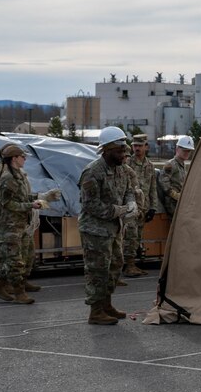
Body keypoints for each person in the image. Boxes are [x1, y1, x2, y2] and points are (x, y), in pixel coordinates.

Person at [79, 127, 138, 325]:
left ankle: (106, 304)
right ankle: (95, 311)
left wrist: (131, 202)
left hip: (114, 229)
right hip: (95, 230)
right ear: (107, 150)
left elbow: (128, 189)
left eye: (124, 150)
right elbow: (90, 204)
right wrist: (117, 211)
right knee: (98, 270)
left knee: (115, 266)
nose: (123, 155)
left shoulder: (122, 169)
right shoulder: (92, 172)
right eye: (120, 151)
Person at [0, 144, 49, 304]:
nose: (25, 159)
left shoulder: (19, 175)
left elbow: (22, 197)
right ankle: (19, 293)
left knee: (14, 260)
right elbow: (7, 203)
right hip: (10, 226)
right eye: (22, 157)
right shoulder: (7, 178)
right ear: (14, 158)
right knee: (14, 261)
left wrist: (40, 198)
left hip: (20, 224)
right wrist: (30, 205)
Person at [122, 134, 158, 278]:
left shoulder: (150, 166)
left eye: (140, 146)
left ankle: (131, 264)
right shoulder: (127, 163)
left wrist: (153, 208)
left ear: (146, 147)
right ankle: (128, 265)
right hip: (130, 207)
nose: (137, 148)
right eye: (135, 146)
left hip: (143, 207)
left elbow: (152, 188)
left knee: (137, 236)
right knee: (130, 235)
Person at [160, 135, 193, 216]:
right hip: (172, 204)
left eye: (188, 151)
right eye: (184, 150)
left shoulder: (182, 165)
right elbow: (164, 183)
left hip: (180, 202)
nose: (187, 153)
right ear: (177, 149)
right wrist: (176, 195)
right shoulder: (171, 165)